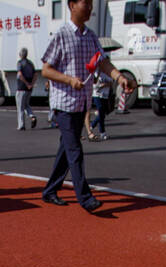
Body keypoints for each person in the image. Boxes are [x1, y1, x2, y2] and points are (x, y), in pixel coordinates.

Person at [40, 0, 132, 212]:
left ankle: (50, 190)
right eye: (85, 3)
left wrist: (119, 77)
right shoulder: (62, 35)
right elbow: (46, 69)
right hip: (64, 104)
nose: (90, 8)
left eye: (91, 4)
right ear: (72, 5)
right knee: (75, 150)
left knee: (66, 149)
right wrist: (69, 80)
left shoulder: (90, 36)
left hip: (82, 103)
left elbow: (102, 62)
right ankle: (85, 197)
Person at [16, 47, 37, 129]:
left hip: (21, 87)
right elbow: (35, 75)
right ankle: (32, 116)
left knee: (20, 107)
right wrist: (31, 84)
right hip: (29, 88)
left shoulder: (20, 63)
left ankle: (21, 125)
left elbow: (20, 74)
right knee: (26, 105)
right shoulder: (31, 63)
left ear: (20, 54)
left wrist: (26, 83)